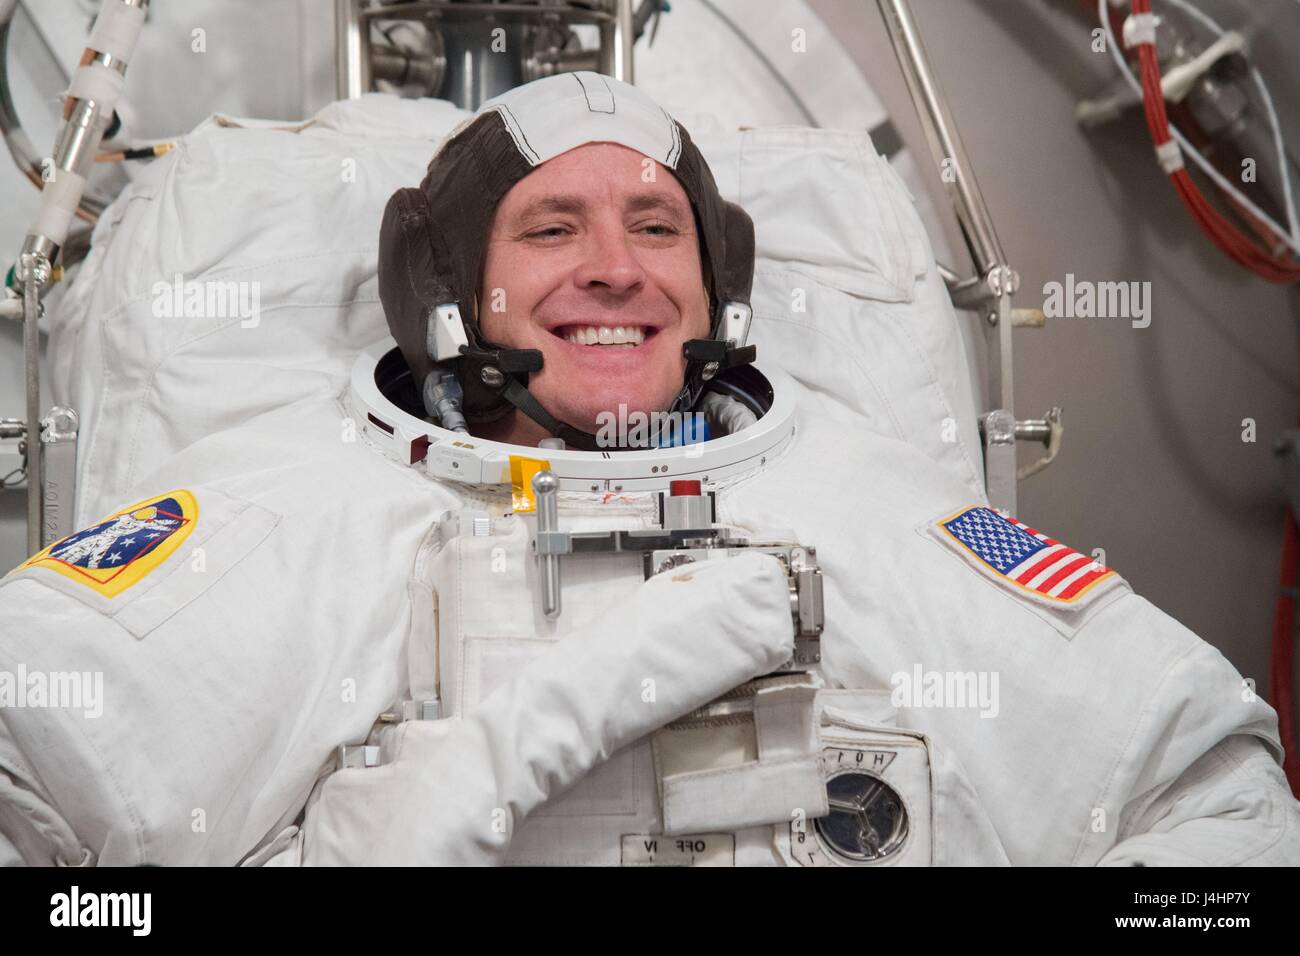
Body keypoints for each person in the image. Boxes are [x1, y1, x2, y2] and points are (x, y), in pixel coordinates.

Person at [0, 71, 1296, 867]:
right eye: (553, 227)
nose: (616, 269)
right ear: (448, 291)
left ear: (715, 286)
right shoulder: (288, 514)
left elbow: (1209, 806)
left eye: (658, 228)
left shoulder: (886, 517)